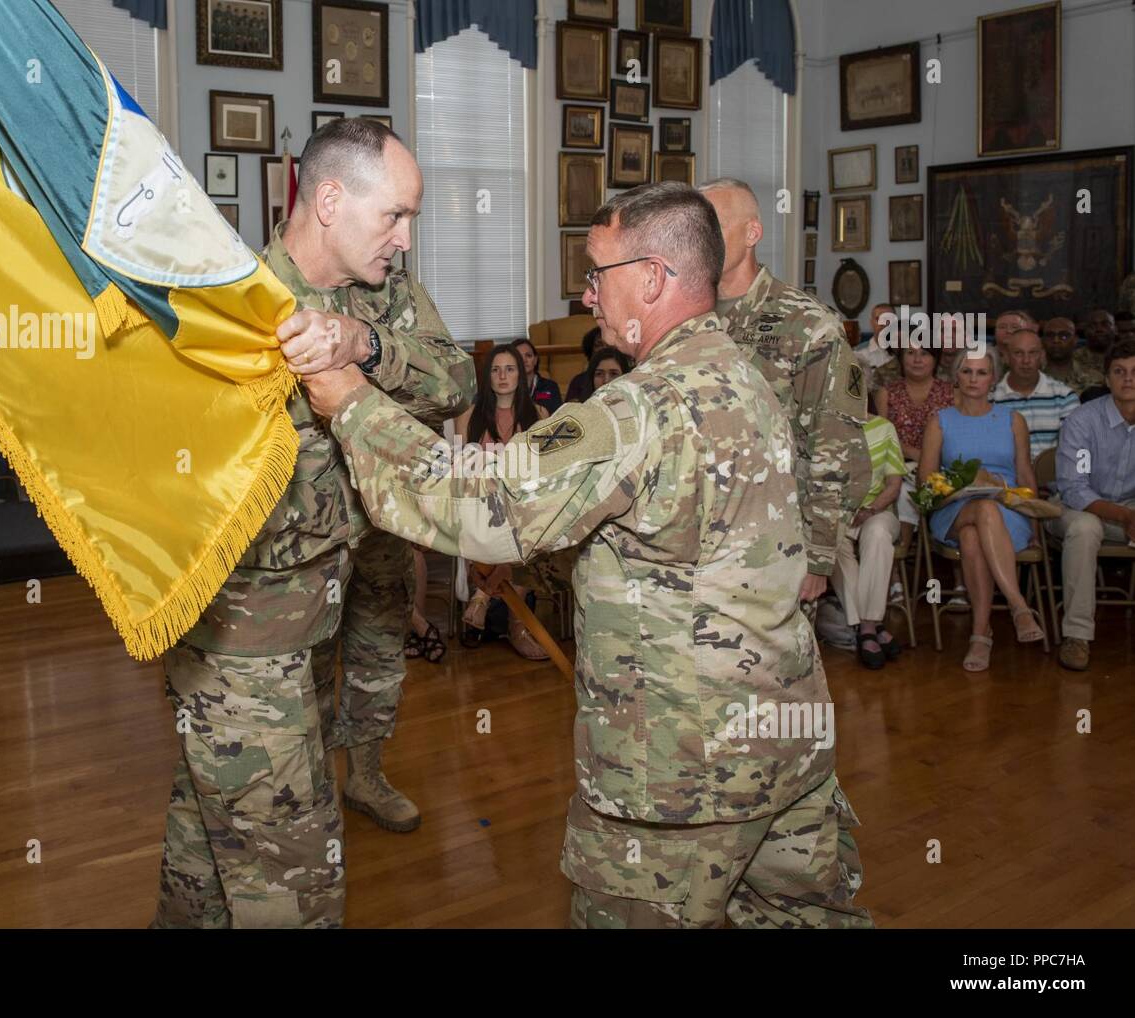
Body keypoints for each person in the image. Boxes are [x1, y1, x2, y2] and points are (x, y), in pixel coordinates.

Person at [299, 181, 873, 929]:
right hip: (785, 742)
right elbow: (673, 534)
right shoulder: (746, 377)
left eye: (596, 273)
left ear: (653, 277)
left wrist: (352, 403)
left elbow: (482, 502)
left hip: (681, 774)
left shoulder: (640, 410)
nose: (584, 293)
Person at [153, 119, 475, 927]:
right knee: (293, 878)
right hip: (242, 632)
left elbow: (455, 379)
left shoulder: (382, 294)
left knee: (206, 839)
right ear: (329, 200)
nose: (404, 239)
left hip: (319, 614)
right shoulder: (230, 301)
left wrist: (364, 344)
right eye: (394, 216)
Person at [701, 177, 871, 603]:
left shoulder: (808, 325)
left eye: (714, 226)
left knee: (771, 669)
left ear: (752, 233)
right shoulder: (684, 319)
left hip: (774, 540)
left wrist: (818, 555)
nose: (701, 240)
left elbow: (836, 445)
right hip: (696, 536)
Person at [918, 348, 1044, 672]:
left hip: (1008, 508)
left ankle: (980, 632)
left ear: (993, 377)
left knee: (974, 536)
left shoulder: (1013, 420)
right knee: (981, 510)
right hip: (953, 509)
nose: (974, 379)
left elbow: (1026, 477)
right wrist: (959, 486)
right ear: (956, 377)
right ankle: (1019, 605)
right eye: (967, 371)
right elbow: (926, 484)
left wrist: (1034, 524)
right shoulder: (940, 421)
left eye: (981, 372)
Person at [455, 344, 551, 657]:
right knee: (499, 526)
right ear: (488, 376)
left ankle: (482, 598)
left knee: (526, 531)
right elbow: (461, 470)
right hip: (480, 504)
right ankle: (517, 625)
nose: (503, 376)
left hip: (521, 505)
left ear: (520, 374)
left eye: (510, 368)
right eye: (496, 370)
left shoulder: (538, 415)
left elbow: (541, 471)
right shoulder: (469, 416)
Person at [1047, 338, 1135, 671]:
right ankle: (1077, 637)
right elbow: (1074, 489)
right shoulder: (1083, 420)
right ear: (1107, 378)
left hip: (1130, 507)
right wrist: (1125, 516)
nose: (1128, 379)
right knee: (1086, 528)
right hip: (1078, 509)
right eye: (1119, 371)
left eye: (1134, 372)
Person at [831, 413, 906, 669]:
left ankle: (865, 626)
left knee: (877, 535)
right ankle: (871, 625)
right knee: (832, 542)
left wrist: (871, 509)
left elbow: (894, 485)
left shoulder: (885, 427)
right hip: (838, 514)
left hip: (878, 510)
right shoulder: (825, 426)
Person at [872, 339, 955, 546]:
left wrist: (929, 457)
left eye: (925, 353)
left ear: (935, 359)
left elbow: (958, 436)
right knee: (901, 494)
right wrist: (913, 452)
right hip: (898, 467)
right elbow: (881, 437)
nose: (917, 359)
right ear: (901, 358)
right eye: (910, 353)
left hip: (942, 468)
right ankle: (898, 570)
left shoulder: (952, 393)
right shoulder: (886, 393)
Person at [991, 328, 1079, 461]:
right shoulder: (990, 398)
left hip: (1052, 476)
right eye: (1018, 353)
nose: (1026, 360)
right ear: (1007, 358)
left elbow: (1074, 449)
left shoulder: (1065, 397)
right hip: (1006, 478)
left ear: (1042, 356)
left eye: (1032, 353)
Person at [1041, 317, 1104, 393]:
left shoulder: (1095, 379)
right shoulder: (1032, 378)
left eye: (1064, 336)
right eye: (1050, 336)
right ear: (1043, 340)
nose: (1056, 340)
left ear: (1075, 340)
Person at [512, 337, 563, 414]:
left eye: (528, 355)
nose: (524, 360)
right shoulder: (507, 388)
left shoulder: (550, 387)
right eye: (519, 357)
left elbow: (558, 417)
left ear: (535, 360)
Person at [858, 302, 899, 393]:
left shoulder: (905, 353)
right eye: (878, 319)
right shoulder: (858, 354)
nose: (883, 324)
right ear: (871, 322)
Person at [564, 325, 605, 403]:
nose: (604, 348)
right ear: (590, 349)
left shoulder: (624, 377)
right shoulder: (578, 381)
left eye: (608, 344)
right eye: (598, 345)